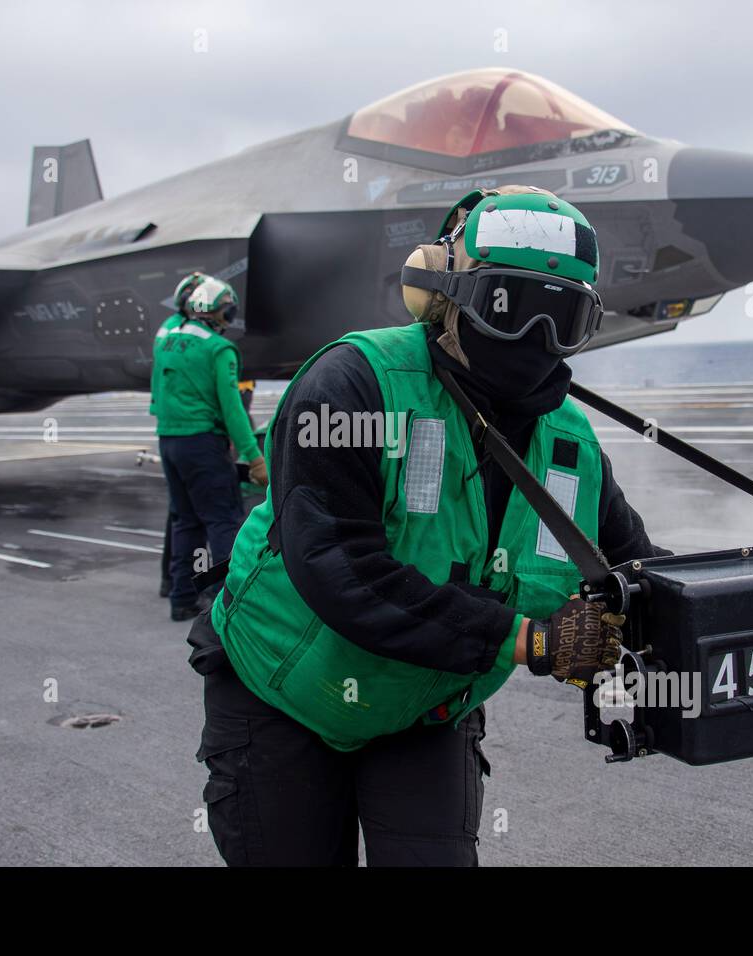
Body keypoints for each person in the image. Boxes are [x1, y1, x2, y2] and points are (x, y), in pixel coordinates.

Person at [187, 186, 669, 866]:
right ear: (446, 295)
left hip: (427, 708)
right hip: (281, 696)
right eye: (508, 307)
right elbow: (342, 570)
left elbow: (633, 570)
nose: (536, 340)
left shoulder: (571, 446)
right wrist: (530, 639)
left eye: (562, 318)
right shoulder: (353, 386)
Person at [152, 276, 267, 621]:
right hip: (202, 442)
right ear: (224, 311)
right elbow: (233, 409)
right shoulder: (219, 349)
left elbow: (157, 393)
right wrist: (254, 456)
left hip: (168, 440)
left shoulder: (168, 339)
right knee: (223, 520)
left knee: (185, 521)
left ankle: (181, 599)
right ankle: (227, 603)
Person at [153, 272, 208, 599]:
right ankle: (208, 589)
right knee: (212, 517)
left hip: (168, 432)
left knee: (179, 515)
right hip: (194, 435)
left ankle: (172, 584)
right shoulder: (199, 340)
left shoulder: (166, 331)